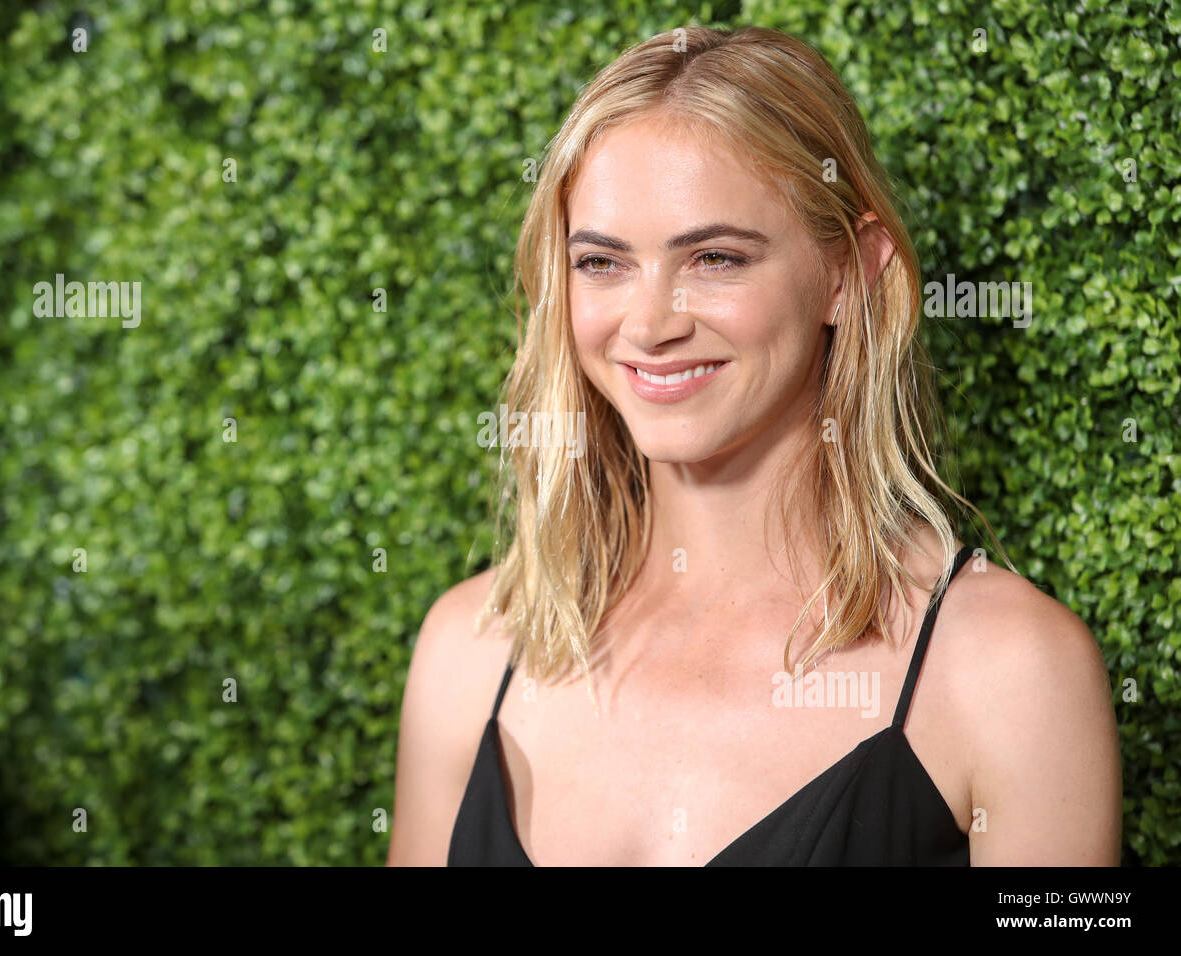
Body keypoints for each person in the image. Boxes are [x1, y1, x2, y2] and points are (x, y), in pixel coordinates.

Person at [387, 25, 1120, 866]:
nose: (651, 324)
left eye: (716, 257)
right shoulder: (472, 649)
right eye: (602, 263)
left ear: (849, 273)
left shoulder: (1012, 674)